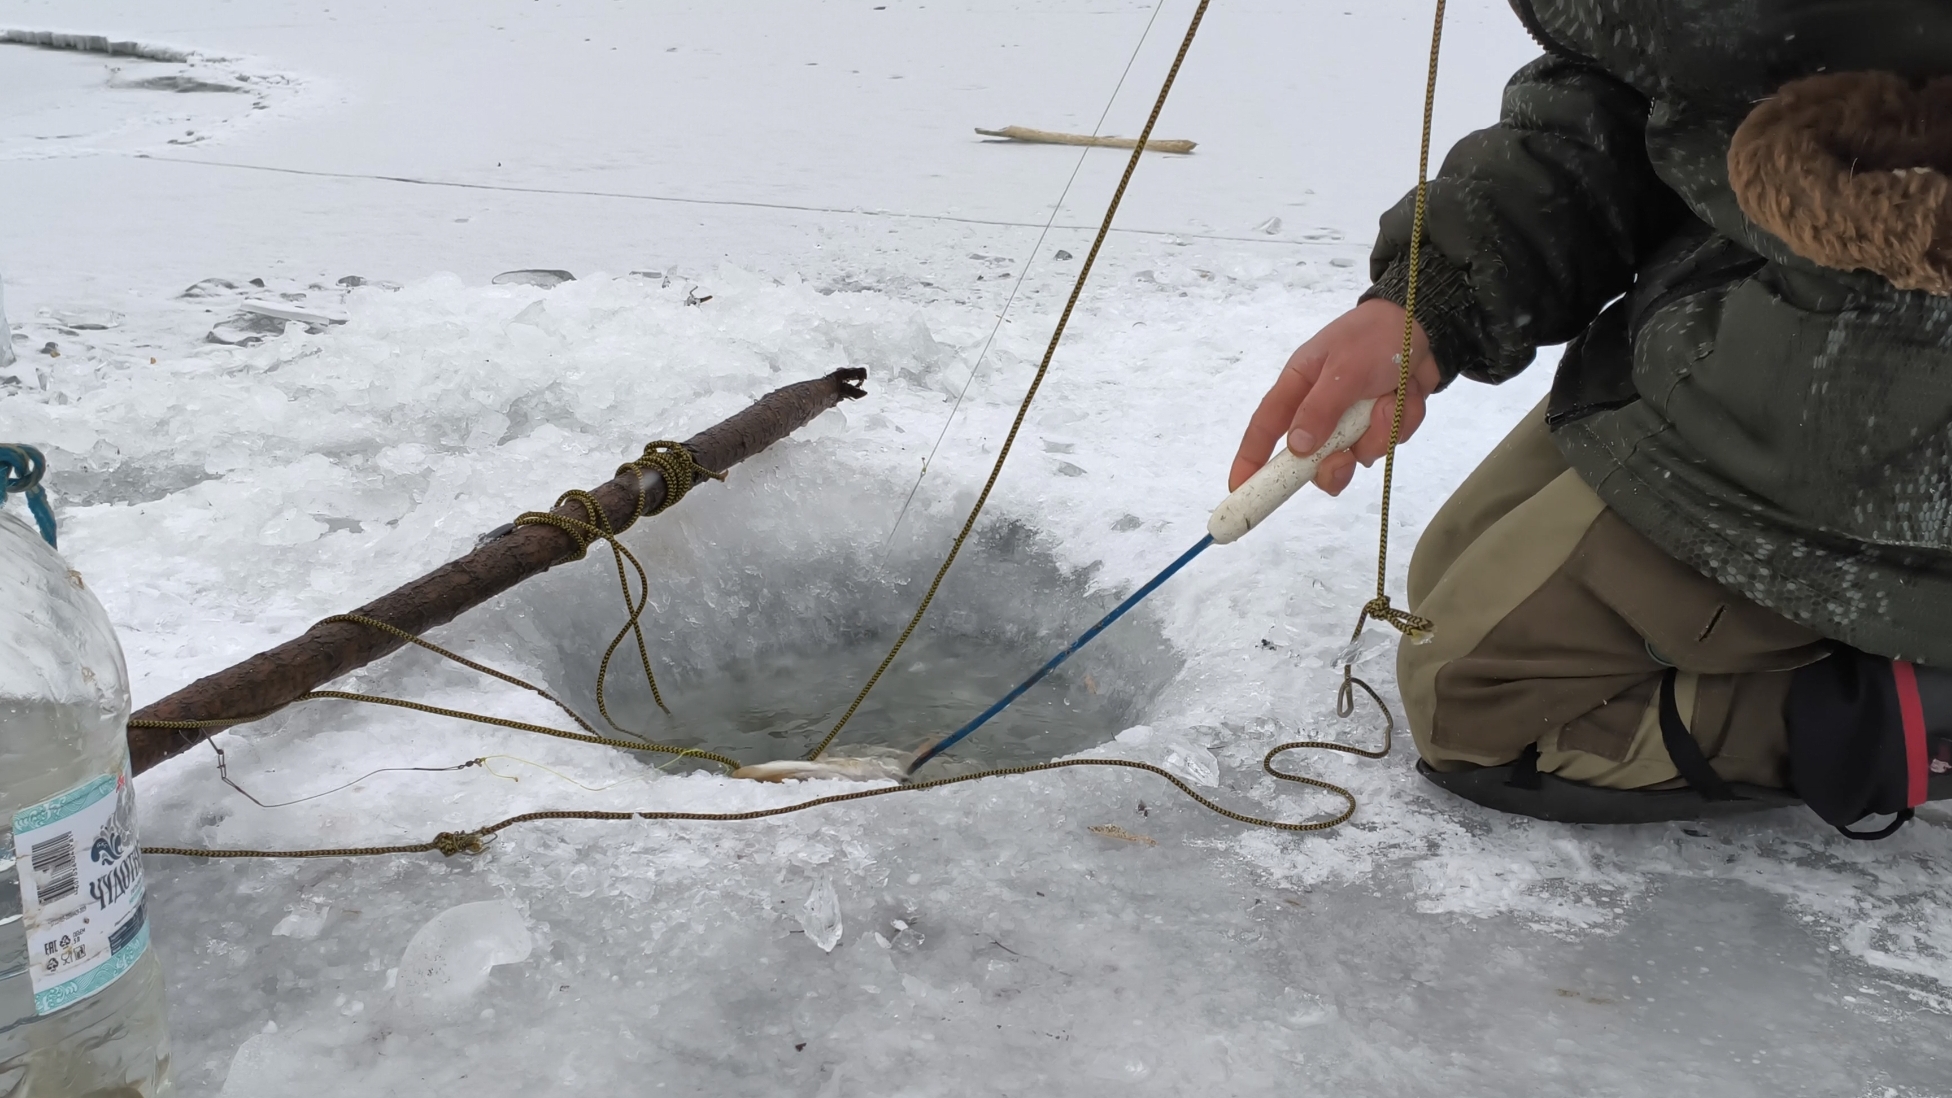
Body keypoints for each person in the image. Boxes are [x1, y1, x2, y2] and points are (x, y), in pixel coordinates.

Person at [1230, 0, 1952, 836]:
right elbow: (1648, 83)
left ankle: (1912, 716)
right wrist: (1434, 297)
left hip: (1890, 381)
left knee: (1475, 701)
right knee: (1449, 572)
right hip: (1743, 307)